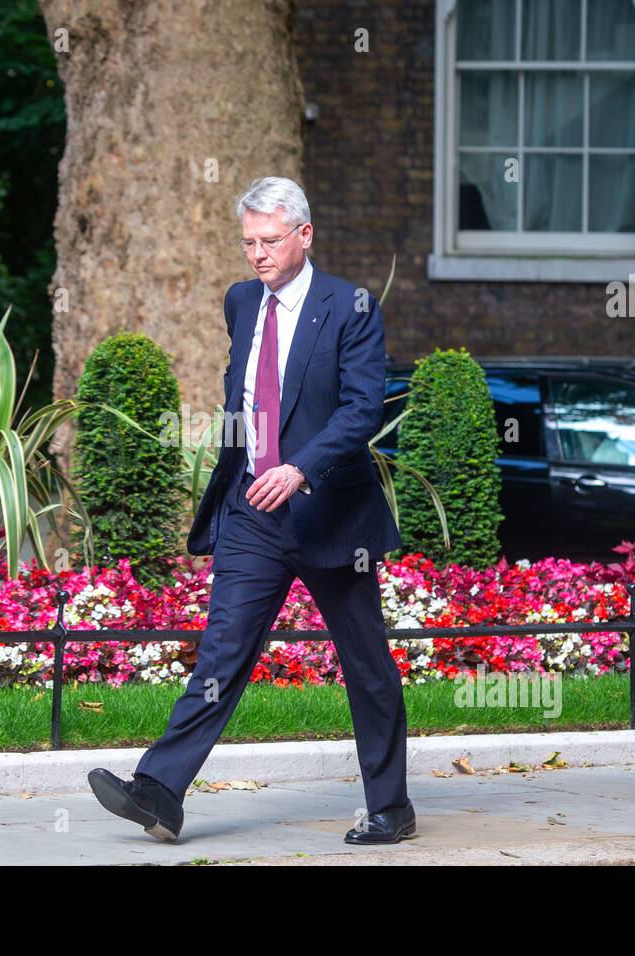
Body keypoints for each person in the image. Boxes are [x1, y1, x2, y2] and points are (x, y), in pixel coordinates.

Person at [88, 176, 413, 845]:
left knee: (367, 664)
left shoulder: (349, 306)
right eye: (248, 242)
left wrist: (300, 467)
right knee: (222, 653)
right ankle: (160, 792)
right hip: (252, 515)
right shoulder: (241, 301)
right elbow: (245, 391)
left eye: (269, 240)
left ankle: (391, 807)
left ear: (304, 235)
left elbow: (361, 409)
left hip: (329, 520)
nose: (258, 254)